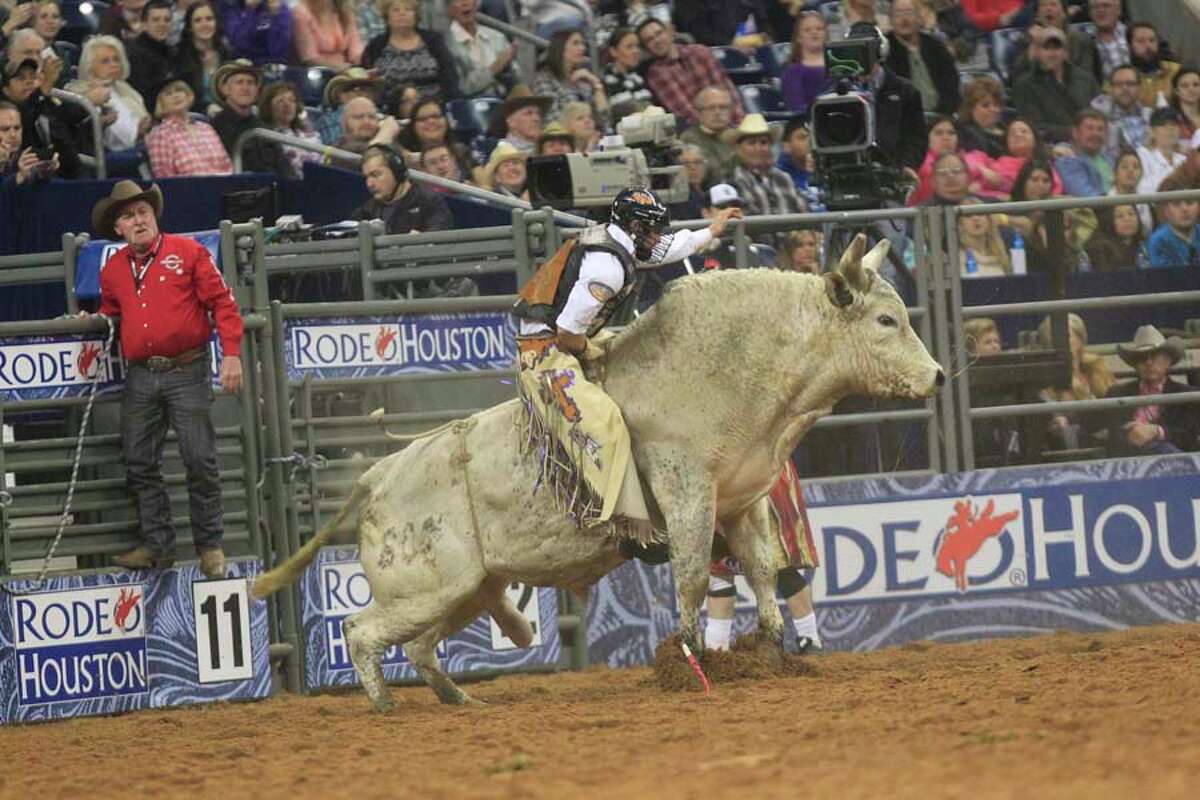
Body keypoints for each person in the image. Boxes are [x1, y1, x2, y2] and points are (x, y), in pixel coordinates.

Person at [509, 188, 739, 552]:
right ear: (633, 226)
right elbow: (569, 334)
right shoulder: (607, 268)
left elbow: (667, 248)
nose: (657, 238)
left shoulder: (620, 242)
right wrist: (592, 350)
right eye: (651, 231)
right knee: (605, 425)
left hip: (566, 334)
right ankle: (626, 530)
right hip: (544, 348)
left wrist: (709, 232)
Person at [87, 180, 242, 578]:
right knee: (139, 461)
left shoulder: (188, 252)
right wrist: (88, 324)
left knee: (199, 460)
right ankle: (158, 546)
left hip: (186, 368)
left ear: (154, 215)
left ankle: (210, 547)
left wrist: (232, 355)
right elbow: (109, 312)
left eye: (142, 212)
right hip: (141, 374)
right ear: (118, 228)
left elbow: (223, 302)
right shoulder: (114, 269)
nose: (137, 220)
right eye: (127, 216)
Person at [704, 461, 823, 654]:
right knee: (719, 571)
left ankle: (810, 640)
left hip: (762, 474)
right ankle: (716, 650)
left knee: (779, 564)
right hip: (716, 479)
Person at [1105, 325, 1199, 456]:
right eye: (1142, 357)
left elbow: (1189, 438)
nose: (1149, 362)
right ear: (1136, 365)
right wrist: (1133, 432)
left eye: (1155, 356)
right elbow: (1113, 438)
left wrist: (1157, 431)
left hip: (1177, 465)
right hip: (1131, 463)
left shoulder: (1187, 396)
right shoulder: (1117, 394)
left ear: (1168, 361)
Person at [848, 22, 927, 171]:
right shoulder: (834, 92)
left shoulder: (906, 92)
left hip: (892, 172)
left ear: (881, 51)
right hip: (847, 171)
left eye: (867, 49)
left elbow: (916, 139)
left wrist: (907, 167)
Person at [637, 18, 744, 126]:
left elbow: (728, 91)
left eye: (659, 33)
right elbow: (685, 113)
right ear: (646, 48)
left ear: (670, 32)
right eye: (649, 40)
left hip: (731, 122)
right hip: (699, 132)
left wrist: (739, 124)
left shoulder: (700, 52)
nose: (657, 40)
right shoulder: (656, 74)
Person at [1035, 312, 1114, 452]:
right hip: (1062, 443)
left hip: (1102, 437)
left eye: (1067, 337)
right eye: (1054, 339)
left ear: (1080, 340)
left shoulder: (1096, 367)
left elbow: (1115, 405)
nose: (1060, 343)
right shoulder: (1043, 377)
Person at [1010, 25, 1101, 144]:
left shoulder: (1085, 79)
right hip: (1054, 146)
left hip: (1093, 141)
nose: (1052, 53)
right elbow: (1034, 126)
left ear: (1065, 52)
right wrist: (1074, 133)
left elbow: (1099, 111)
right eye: (1046, 48)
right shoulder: (1024, 85)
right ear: (1037, 52)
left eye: (1057, 47)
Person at [361, 0, 458, 104]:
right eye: (396, 10)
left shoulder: (433, 40)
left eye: (408, 9)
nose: (402, 13)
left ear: (416, 16)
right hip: (391, 111)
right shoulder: (376, 45)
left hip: (434, 109)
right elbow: (365, 78)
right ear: (387, 16)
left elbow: (449, 77)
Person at [66, 36, 151, 152]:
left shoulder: (125, 88)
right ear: (90, 66)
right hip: (114, 155)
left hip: (143, 145)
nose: (113, 64)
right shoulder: (81, 94)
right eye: (105, 61)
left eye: (116, 59)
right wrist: (140, 133)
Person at [1007, 158, 1094, 272]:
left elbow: (1089, 219)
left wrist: (1067, 200)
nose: (1040, 185)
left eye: (1046, 181)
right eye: (1034, 179)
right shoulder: (1009, 208)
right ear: (1023, 181)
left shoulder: (1057, 208)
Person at [729, 113, 806, 240]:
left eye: (764, 142)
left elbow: (805, 215)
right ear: (738, 149)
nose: (759, 148)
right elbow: (747, 223)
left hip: (794, 249)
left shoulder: (784, 178)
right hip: (756, 251)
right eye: (751, 143)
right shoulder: (732, 181)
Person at [210, 59, 288, 175]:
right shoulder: (214, 128)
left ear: (257, 91)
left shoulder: (264, 128)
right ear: (225, 89)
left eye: (250, 83)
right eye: (239, 82)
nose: (245, 88)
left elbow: (284, 168)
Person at [354, 143, 452, 234]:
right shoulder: (367, 210)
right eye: (367, 177)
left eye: (376, 175)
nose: (369, 184)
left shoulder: (429, 202)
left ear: (397, 172)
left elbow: (439, 236)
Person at [145, 78, 233, 176]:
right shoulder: (160, 135)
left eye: (179, 90)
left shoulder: (206, 128)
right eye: (168, 94)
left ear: (188, 95)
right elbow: (164, 178)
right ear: (160, 103)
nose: (176, 96)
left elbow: (227, 165)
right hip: (188, 189)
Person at [884, 0, 959, 116]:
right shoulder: (884, 50)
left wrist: (944, 114)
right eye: (898, 14)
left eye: (909, 12)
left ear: (919, 18)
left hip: (940, 116)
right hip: (904, 119)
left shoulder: (936, 46)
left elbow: (951, 85)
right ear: (890, 20)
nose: (904, 19)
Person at [910, 115, 1001, 205]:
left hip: (982, 203)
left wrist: (981, 183)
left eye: (951, 133)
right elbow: (931, 174)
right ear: (927, 139)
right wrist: (980, 173)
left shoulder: (977, 155)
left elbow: (1000, 179)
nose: (946, 137)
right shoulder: (920, 160)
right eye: (938, 133)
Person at [530, 28, 607, 122]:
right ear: (560, 47)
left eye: (583, 44)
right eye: (576, 43)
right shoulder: (543, 79)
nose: (582, 48)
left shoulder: (582, 78)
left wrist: (596, 84)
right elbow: (552, 120)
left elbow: (604, 118)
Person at [446, 0, 519, 98]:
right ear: (449, 9)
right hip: (471, 106)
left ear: (476, 4)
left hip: (506, 100)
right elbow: (461, 88)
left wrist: (508, 67)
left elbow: (517, 75)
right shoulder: (446, 44)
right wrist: (494, 69)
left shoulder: (497, 36)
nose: (465, 3)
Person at [259, 81, 321, 179]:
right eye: (280, 101)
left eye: (291, 100)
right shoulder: (264, 136)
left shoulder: (311, 134)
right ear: (268, 106)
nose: (287, 105)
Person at [178, 1, 230, 113]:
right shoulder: (179, 56)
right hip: (196, 115)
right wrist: (206, 107)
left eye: (209, 19)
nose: (204, 24)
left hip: (226, 112)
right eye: (198, 20)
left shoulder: (226, 52)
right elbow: (182, 96)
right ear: (190, 26)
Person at [1091, 64, 1150, 161]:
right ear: (1110, 88)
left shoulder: (1149, 117)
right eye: (1118, 84)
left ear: (1139, 87)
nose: (1125, 89)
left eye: (1130, 84)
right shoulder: (1095, 115)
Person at [126, 0, 179, 109]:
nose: (162, 24)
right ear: (144, 24)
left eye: (167, 20)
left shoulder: (173, 52)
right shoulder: (133, 54)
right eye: (156, 20)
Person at [678, 86, 737, 183]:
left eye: (723, 107)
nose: (718, 112)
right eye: (711, 108)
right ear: (699, 113)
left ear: (731, 110)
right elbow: (713, 172)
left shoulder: (737, 135)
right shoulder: (690, 138)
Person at [314, 66, 381, 145]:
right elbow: (336, 150)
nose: (363, 93)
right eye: (355, 89)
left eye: (367, 89)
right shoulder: (329, 120)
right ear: (340, 95)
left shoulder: (382, 115)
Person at [1053, 109, 1113, 197]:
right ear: (1075, 132)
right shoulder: (1067, 159)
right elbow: (1083, 194)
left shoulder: (1111, 159)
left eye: (1100, 129)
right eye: (1090, 128)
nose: (1095, 133)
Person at [781, 10, 828, 115]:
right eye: (807, 30)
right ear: (798, 37)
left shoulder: (838, 67)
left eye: (819, 29)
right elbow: (797, 107)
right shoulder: (792, 72)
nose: (814, 32)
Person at [293, 0, 363, 69]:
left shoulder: (345, 10)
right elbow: (310, 59)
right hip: (320, 74)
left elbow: (355, 51)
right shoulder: (301, 12)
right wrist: (347, 68)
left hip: (347, 73)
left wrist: (365, 63)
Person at [673, 0, 772, 47]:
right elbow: (699, 32)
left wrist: (763, 36)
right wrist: (732, 42)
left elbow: (759, 15)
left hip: (752, 44)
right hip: (714, 53)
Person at [222, 0, 293, 65]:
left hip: (274, 65)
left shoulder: (277, 6)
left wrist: (274, 14)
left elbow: (278, 48)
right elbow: (240, 42)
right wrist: (250, 10)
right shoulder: (231, 6)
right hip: (245, 65)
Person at [487, 83, 552, 153]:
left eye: (538, 113)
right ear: (511, 122)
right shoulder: (503, 152)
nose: (537, 119)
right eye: (529, 113)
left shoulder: (550, 146)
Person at [602, 26, 652, 116]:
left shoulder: (640, 76)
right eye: (629, 47)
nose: (636, 51)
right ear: (613, 51)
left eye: (637, 46)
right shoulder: (605, 80)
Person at [1128, 22, 1179, 109]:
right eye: (1141, 41)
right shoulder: (1120, 77)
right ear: (1130, 46)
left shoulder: (1176, 71)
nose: (1148, 46)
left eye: (1152, 40)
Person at [1136, 107, 1186, 196]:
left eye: (1173, 124)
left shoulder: (1184, 160)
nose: (1170, 129)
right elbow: (1141, 189)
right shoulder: (1142, 155)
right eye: (1164, 125)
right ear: (1152, 131)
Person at [957, 197, 1011, 276]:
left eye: (980, 213)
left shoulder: (1001, 253)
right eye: (968, 215)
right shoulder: (957, 258)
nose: (975, 218)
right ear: (960, 224)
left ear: (989, 220)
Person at [1085, 204, 1148, 271]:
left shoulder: (1142, 244)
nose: (1127, 219)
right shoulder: (1100, 247)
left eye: (1131, 214)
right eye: (1119, 216)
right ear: (1108, 220)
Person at [957, 75, 1007, 159]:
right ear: (970, 108)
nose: (993, 109)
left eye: (996, 104)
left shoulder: (1008, 128)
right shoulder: (965, 134)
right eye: (985, 105)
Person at [1147, 194, 1200, 270]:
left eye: (1189, 202)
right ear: (1166, 210)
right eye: (1176, 204)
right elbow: (1167, 278)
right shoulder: (1159, 240)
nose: (1184, 209)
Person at [1109, 148, 1152, 232]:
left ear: (1141, 174)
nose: (1131, 170)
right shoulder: (1104, 204)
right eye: (1124, 167)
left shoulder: (1147, 204)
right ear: (1115, 173)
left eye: (1136, 167)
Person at [1088, 0, 1128, 81]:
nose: (1100, 10)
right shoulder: (1085, 42)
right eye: (1095, 7)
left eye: (1106, 6)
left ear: (1118, 10)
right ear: (1090, 14)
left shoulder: (1133, 35)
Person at [775, 115, 815, 195]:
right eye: (803, 137)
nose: (811, 141)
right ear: (786, 146)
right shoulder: (777, 178)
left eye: (814, 136)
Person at [1170, 68, 1200, 141]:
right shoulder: (1170, 119)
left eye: (1196, 85)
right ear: (1176, 91)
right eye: (1184, 86)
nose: (1191, 89)